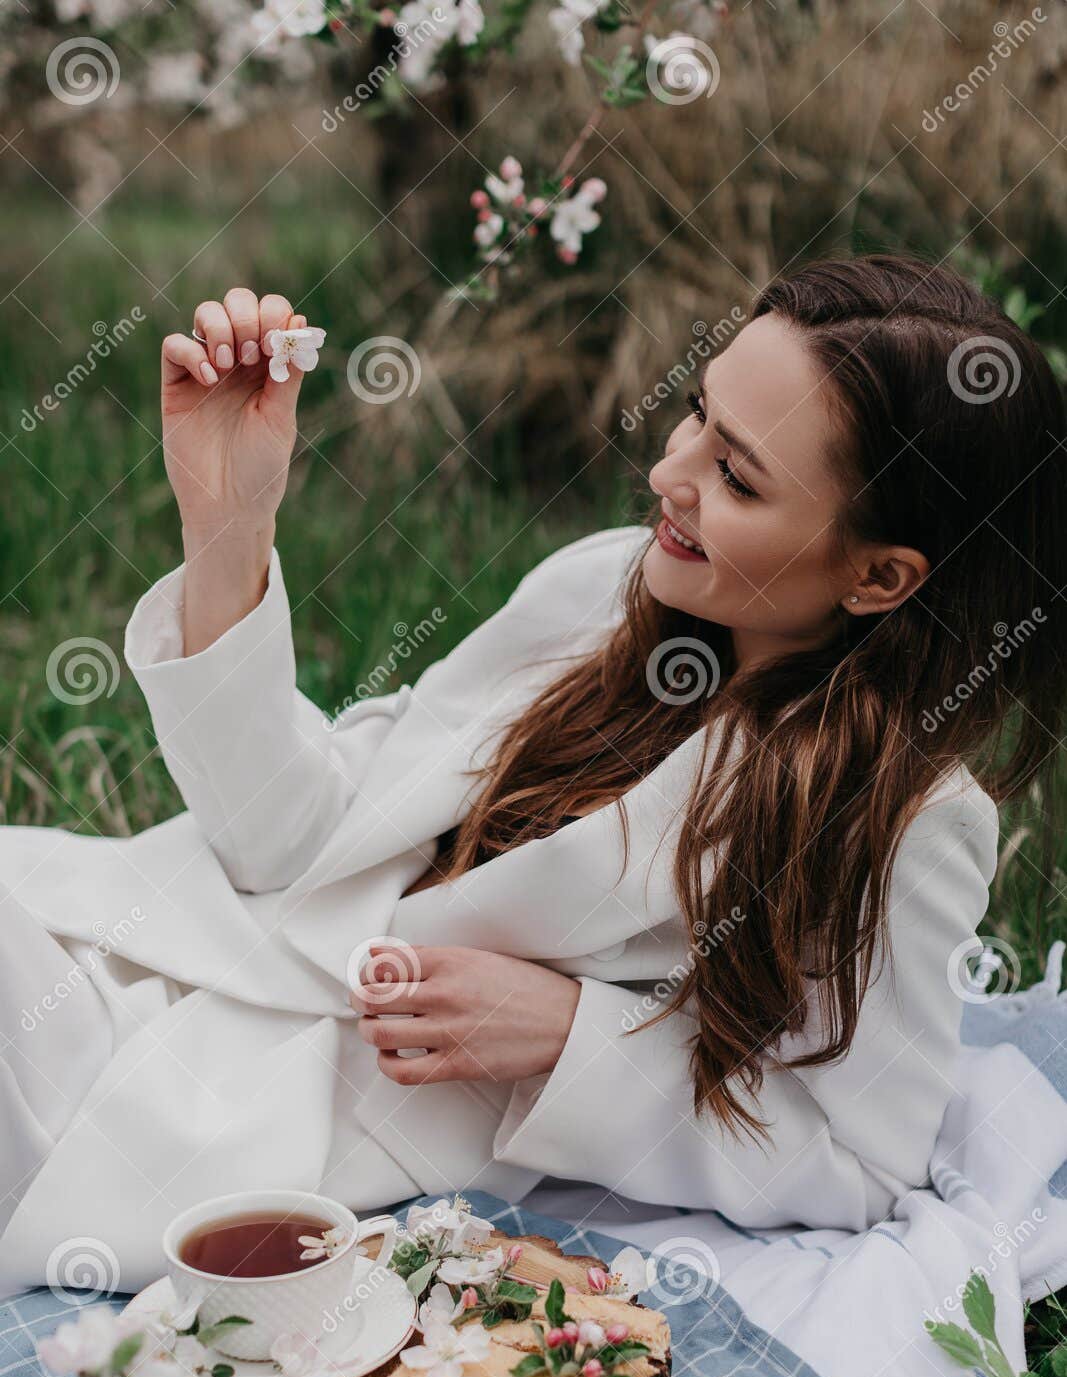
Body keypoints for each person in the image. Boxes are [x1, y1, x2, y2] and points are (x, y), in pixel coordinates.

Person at [1, 254, 1063, 1291]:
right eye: (695, 414)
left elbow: (861, 1165)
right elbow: (289, 838)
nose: (667, 472)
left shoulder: (901, 816)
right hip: (144, 947)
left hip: (237, 1110)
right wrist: (227, 523)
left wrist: (568, 1039)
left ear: (878, 576)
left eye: (735, 474)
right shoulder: (602, 587)